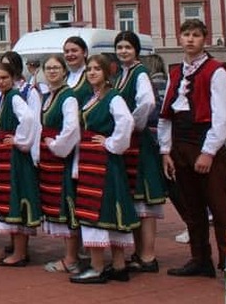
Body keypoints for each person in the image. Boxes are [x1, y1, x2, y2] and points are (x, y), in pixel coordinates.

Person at [159, 18, 226, 277]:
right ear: (179, 38)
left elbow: (222, 116)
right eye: (186, 35)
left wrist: (209, 151)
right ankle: (200, 258)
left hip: (203, 143)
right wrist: (166, 151)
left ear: (204, 39)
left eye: (195, 35)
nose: (190, 39)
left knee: (219, 207)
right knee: (191, 207)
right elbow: (166, 114)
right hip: (180, 145)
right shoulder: (175, 72)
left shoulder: (216, 70)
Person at [70, 54, 140, 284]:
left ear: (106, 72)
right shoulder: (94, 97)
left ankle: (97, 266)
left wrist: (111, 143)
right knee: (110, 207)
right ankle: (119, 266)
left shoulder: (113, 97)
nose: (91, 73)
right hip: (92, 160)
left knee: (99, 209)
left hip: (102, 162)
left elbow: (126, 121)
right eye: (89, 69)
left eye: (96, 69)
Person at [113, 31, 167, 274]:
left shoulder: (140, 73)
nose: (123, 51)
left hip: (139, 142)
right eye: (120, 47)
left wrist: (133, 124)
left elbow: (147, 102)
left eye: (127, 47)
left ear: (136, 50)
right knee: (135, 201)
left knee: (145, 202)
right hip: (128, 144)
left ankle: (148, 255)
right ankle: (139, 252)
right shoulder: (121, 75)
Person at [0, 62, 41, 267]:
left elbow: (30, 119)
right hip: (6, 155)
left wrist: (19, 140)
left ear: (12, 78)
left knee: (17, 197)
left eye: (4, 78)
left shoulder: (14, 97)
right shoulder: (5, 98)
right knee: (10, 198)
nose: (1, 81)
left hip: (15, 157)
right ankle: (17, 249)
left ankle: (20, 252)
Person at [37, 53, 81, 275]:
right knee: (59, 204)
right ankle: (72, 254)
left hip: (62, 158)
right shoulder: (49, 96)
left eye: (56, 68)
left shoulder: (68, 97)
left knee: (67, 205)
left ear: (64, 71)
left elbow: (72, 128)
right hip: (49, 159)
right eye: (48, 68)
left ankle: (71, 258)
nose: (52, 71)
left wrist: (56, 146)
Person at [63, 36, 92, 104]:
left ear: (85, 53)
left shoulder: (91, 74)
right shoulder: (63, 77)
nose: (70, 54)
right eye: (67, 52)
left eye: (74, 50)